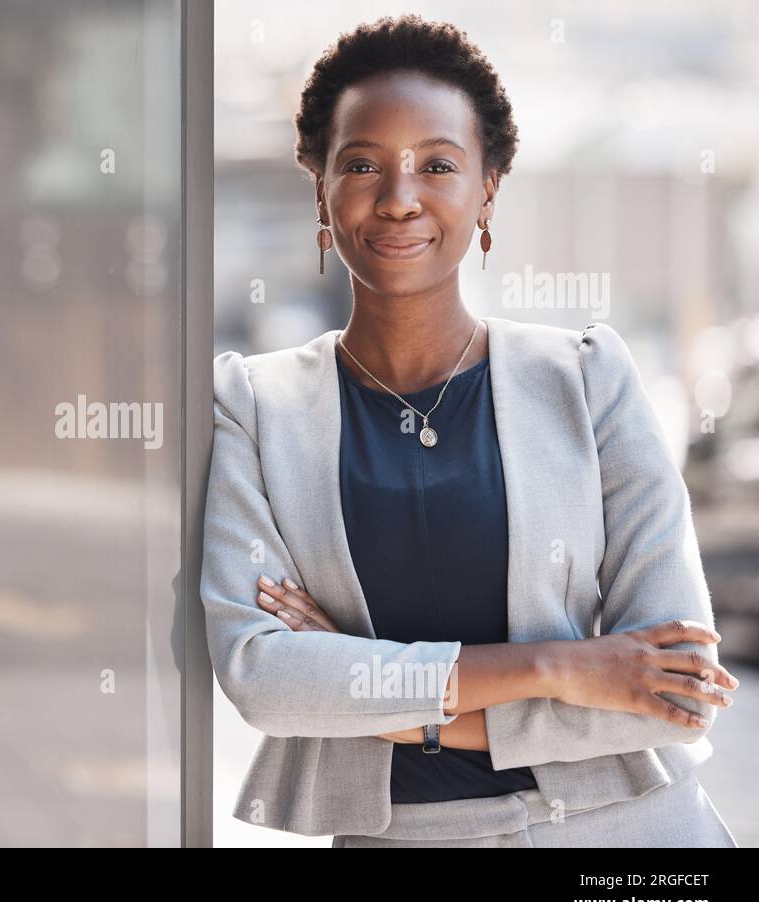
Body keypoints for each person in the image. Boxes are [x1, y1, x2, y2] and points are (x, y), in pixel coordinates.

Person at [201, 14, 740, 846]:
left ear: (487, 187)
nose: (399, 196)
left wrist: (380, 700)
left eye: (438, 164)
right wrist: (564, 668)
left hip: (628, 846)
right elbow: (265, 678)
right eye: (362, 164)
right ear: (320, 184)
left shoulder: (588, 380)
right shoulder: (254, 406)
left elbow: (677, 689)